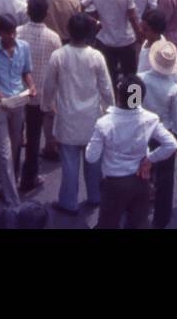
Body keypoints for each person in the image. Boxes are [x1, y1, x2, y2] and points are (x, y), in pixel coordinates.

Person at [41, 12, 113, 216]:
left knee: (69, 164)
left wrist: (47, 106)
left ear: (69, 31)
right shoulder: (96, 56)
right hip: (92, 118)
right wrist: (111, 111)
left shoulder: (59, 56)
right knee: (93, 161)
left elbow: (48, 86)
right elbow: (106, 88)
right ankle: (95, 196)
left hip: (67, 118)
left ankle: (68, 202)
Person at [86, 73, 177, 229]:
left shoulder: (104, 123)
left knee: (108, 225)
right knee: (138, 224)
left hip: (114, 185)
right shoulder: (150, 119)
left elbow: (91, 157)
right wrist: (150, 159)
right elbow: (171, 144)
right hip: (141, 181)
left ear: (119, 97)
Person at [0, 12, 35, 208]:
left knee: (16, 145)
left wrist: (31, 84)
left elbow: (26, 71)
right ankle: (14, 201)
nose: (11, 37)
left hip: (18, 102)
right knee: (4, 152)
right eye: (7, 33)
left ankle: (6, 183)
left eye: (13, 33)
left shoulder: (24, 47)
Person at [139, 38, 177, 229]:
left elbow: (132, 107)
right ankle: (161, 219)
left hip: (143, 131)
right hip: (164, 133)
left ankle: (137, 212)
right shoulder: (173, 89)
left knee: (140, 172)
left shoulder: (139, 79)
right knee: (165, 178)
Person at [16, 0, 61, 193]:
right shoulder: (53, 38)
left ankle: (10, 177)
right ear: (46, 13)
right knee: (34, 138)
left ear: (28, 11)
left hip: (17, 91)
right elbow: (57, 67)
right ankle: (29, 177)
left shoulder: (17, 33)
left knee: (16, 136)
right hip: (41, 94)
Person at [82, 0, 142, 85]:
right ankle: (134, 103)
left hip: (105, 42)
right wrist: (139, 36)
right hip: (127, 41)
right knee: (132, 77)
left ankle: (113, 103)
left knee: (108, 79)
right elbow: (132, 16)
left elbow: (79, 8)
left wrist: (94, 21)